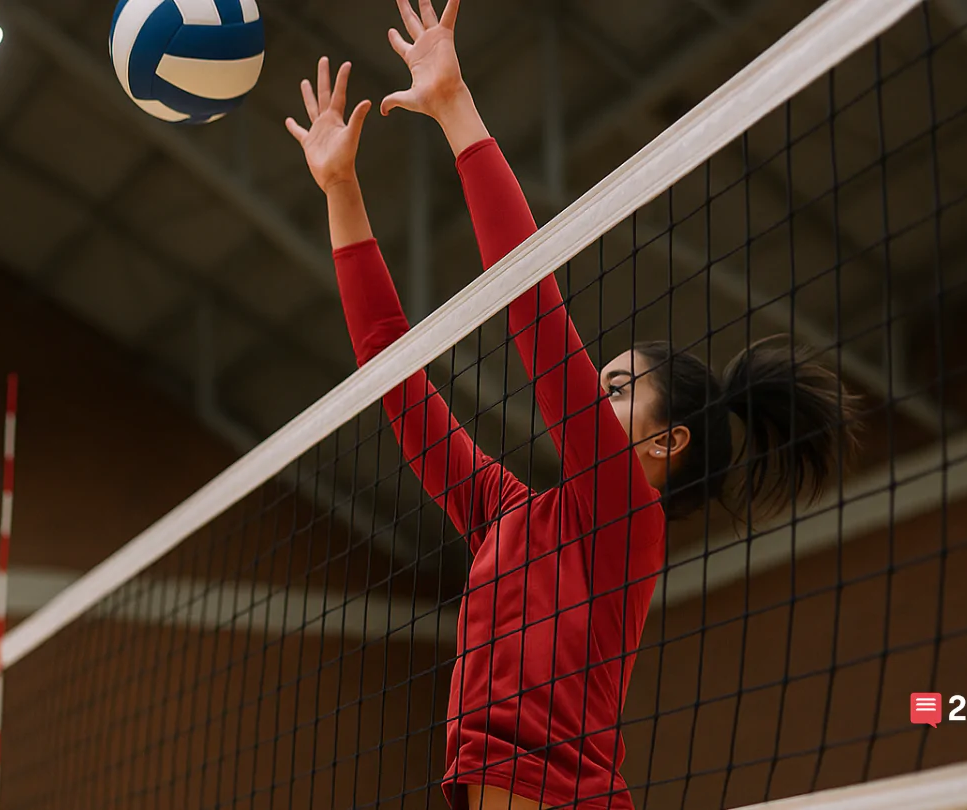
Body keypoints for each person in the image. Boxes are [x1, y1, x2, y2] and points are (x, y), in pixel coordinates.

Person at [284, 2, 858, 807]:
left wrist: (456, 107)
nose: (596, 389)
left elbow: (532, 307)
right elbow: (393, 368)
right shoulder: (502, 514)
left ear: (667, 444)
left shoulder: (627, 518)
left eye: (619, 387)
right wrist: (342, 189)